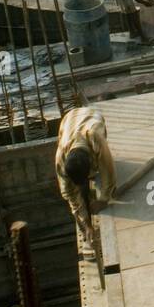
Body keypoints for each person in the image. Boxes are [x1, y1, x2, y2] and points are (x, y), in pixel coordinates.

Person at [54, 107, 117, 257]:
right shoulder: (60, 158)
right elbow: (69, 194)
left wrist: (104, 199)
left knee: (103, 159)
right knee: (76, 194)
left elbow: (108, 169)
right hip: (68, 120)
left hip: (92, 116)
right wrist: (85, 223)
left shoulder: (95, 136)